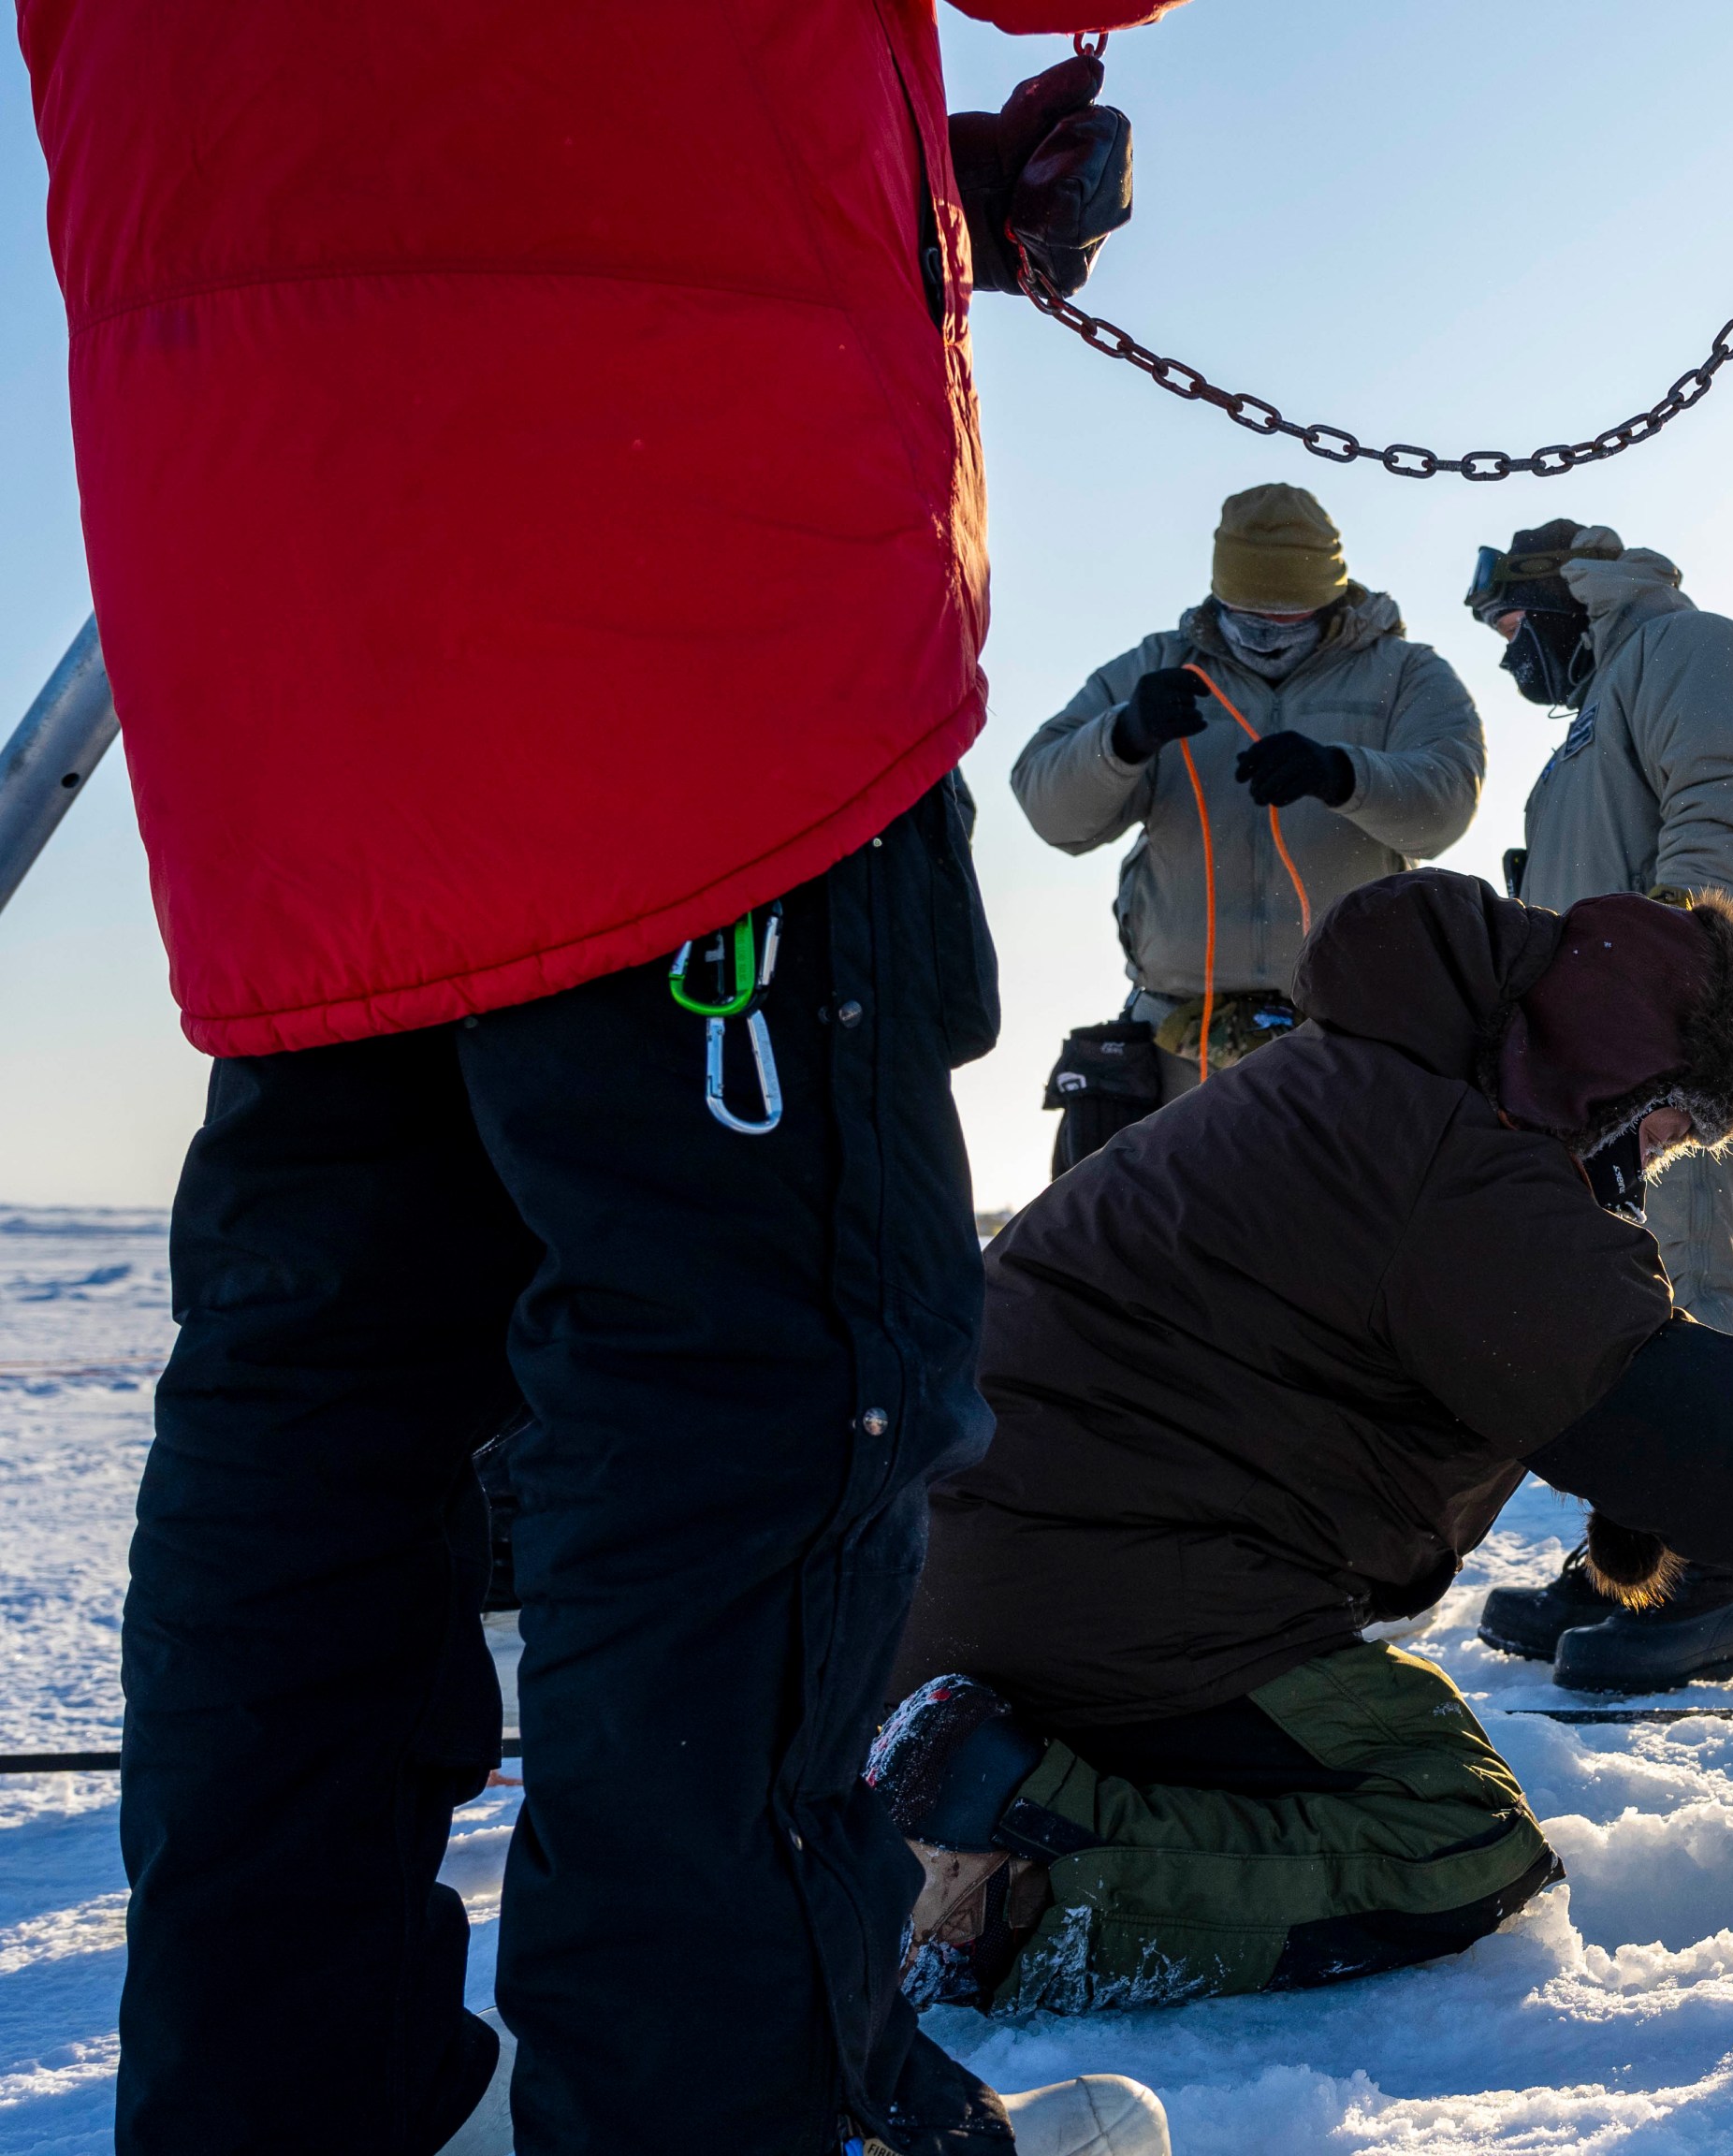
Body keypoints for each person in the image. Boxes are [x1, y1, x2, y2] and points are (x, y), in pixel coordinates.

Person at [29, 7, 1180, 2148]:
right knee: (729, 1410)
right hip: (687, 581)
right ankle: (731, 2103)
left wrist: (876, 158)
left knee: (326, 1408)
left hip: (268, 553)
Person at [875, 870, 1733, 2008]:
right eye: (1671, 1127)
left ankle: (976, 1779)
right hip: (1096, 1585)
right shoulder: (1459, 1163)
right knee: (1449, 1831)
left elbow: (1571, 1365)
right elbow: (1712, 1444)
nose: (1654, 1164)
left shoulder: (1382, 1081)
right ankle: (1008, 1883)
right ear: (1620, 1065)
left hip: (984, 1574)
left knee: (1358, 1752)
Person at [1459, 522, 1733, 1693]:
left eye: (1514, 627)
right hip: (1604, 1055)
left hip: (1680, 1041)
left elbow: (1732, 805)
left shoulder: (1690, 649)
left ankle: (1704, 1586)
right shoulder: (1603, 700)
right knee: (1619, 1298)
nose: (1511, 655)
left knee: (1682, 1287)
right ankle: (1634, 1562)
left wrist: (1665, 972)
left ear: (1564, 599)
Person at [1012, 483, 1485, 1150]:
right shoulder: (1157, 666)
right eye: (1247, 619)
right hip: (1178, 1051)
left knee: (1330, 1250)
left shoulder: (1406, 676)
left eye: (1287, 620)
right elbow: (1046, 807)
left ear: (1330, 600)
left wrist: (1342, 774)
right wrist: (1121, 738)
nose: (1265, 639)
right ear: (1217, 598)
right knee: (1154, 1248)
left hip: (1347, 1048)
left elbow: (1446, 806)